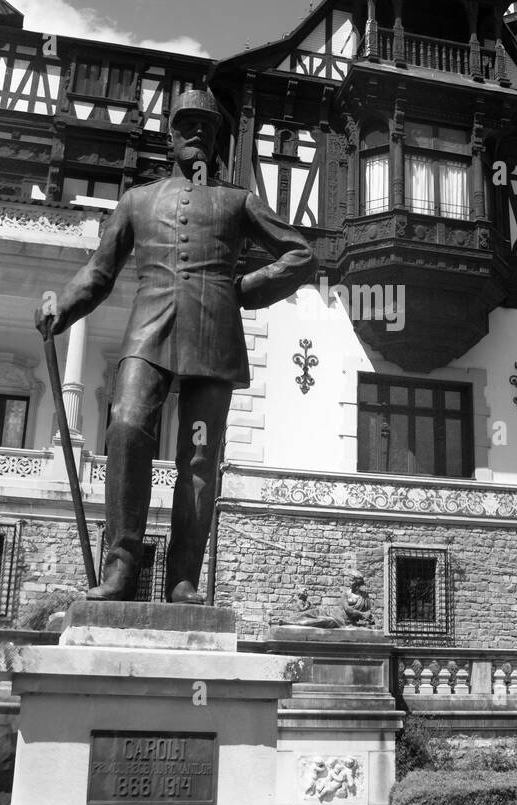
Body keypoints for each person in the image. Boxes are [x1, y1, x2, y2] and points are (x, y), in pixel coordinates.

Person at [36, 88, 317, 603]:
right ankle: (120, 569)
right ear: (170, 135)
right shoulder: (136, 201)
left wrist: (241, 291)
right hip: (150, 327)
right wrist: (63, 308)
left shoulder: (238, 201)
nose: (196, 135)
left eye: (206, 128)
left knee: (199, 457)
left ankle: (183, 577)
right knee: (124, 426)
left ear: (216, 140)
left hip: (215, 337)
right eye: (187, 125)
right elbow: (98, 272)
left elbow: (301, 256)